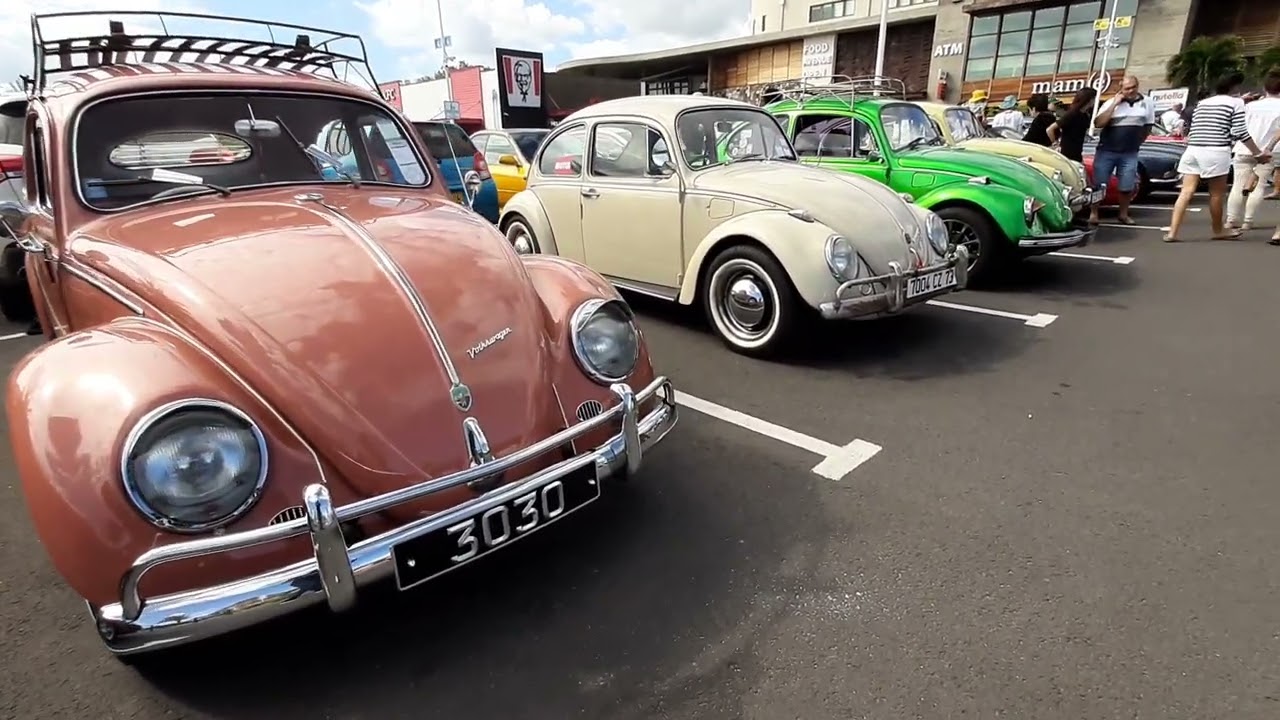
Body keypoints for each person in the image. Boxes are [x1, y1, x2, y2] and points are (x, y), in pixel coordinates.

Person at [1166, 71, 1272, 242]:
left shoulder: (1203, 102)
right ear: (1236, 87)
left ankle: (1172, 232)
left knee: (1186, 192)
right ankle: (1218, 230)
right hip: (1216, 151)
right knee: (1216, 194)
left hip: (1193, 149)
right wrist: (1257, 153)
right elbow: (1240, 132)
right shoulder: (1236, 103)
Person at [1090, 74, 1155, 225]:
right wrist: (1114, 105)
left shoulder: (1147, 102)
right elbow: (1098, 123)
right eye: (1127, 88)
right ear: (1121, 89)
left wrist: (1139, 142)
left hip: (1130, 152)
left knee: (1127, 185)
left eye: (1133, 87)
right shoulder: (1111, 102)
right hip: (1107, 150)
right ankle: (1094, 213)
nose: (1130, 91)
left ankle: (1123, 214)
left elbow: (1148, 125)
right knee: (1099, 184)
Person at [1226, 71, 1280, 231]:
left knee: (1237, 185)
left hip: (1244, 147)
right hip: (1270, 150)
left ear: (1265, 88)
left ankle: (1231, 219)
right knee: (1260, 185)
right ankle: (1248, 221)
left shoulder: (1249, 106)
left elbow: (1237, 128)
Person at [1047, 86, 1098, 162]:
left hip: (1077, 153)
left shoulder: (1085, 115)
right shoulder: (1072, 114)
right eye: (1093, 98)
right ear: (1089, 100)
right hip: (1066, 153)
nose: (1094, 101)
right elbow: (1050, 129)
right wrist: (1055, 144)